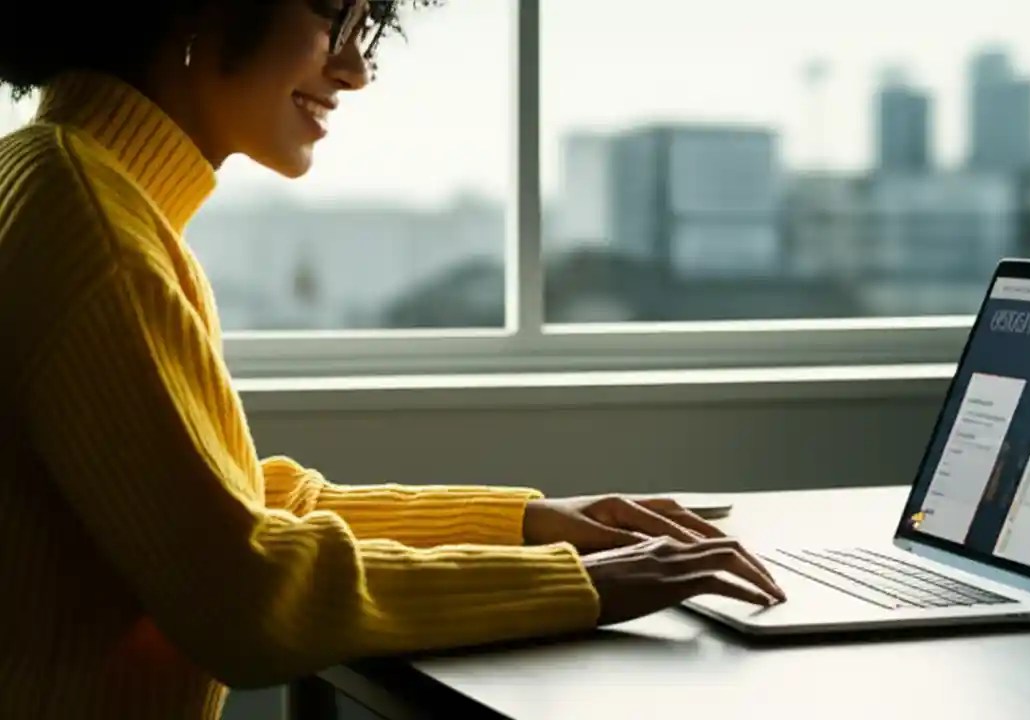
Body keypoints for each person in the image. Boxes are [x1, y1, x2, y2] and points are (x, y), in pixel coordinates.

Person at [0, 2, 786, 718]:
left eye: (368, 29)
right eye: (336, 18)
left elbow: (222, 508)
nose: (355, 69)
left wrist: (525, 524)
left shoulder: (59, 179)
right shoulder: (93, 224)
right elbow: (242, 598)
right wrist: (579, 585)